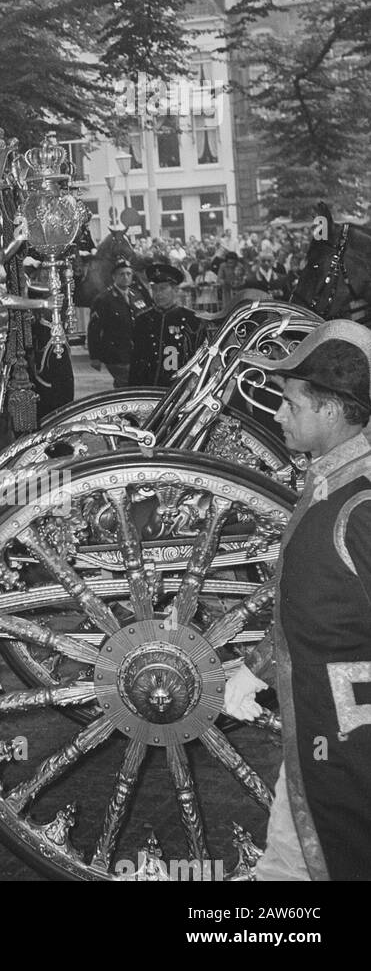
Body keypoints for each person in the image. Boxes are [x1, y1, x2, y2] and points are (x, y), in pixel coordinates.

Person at [222, 321, 371, 881]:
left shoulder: (360, 505)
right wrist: (257, 670)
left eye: (290, 403)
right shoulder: (335, 487)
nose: (279, 415)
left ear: (330, 410)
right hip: (317, 730)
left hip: (351, 745)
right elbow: (315, 608)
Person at [129, 262, 206, 388]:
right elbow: (136, 360)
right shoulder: (142, 320)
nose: (158, 294)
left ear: (175, 289)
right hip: (147, 387)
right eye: (154, 289)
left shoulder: (192, 320)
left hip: (179, 389)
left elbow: (201, 359)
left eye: (163, 288)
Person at [87, 258, 150, 388]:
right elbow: (94, 329)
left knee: (126, 385)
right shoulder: (103, 299)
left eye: (128, 274)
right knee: (128, 384)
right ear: (114, 277)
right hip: (115, 354)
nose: (126, 277)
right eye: (122, 274)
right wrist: (95, 357)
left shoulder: (137, 295)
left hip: (136, 352)